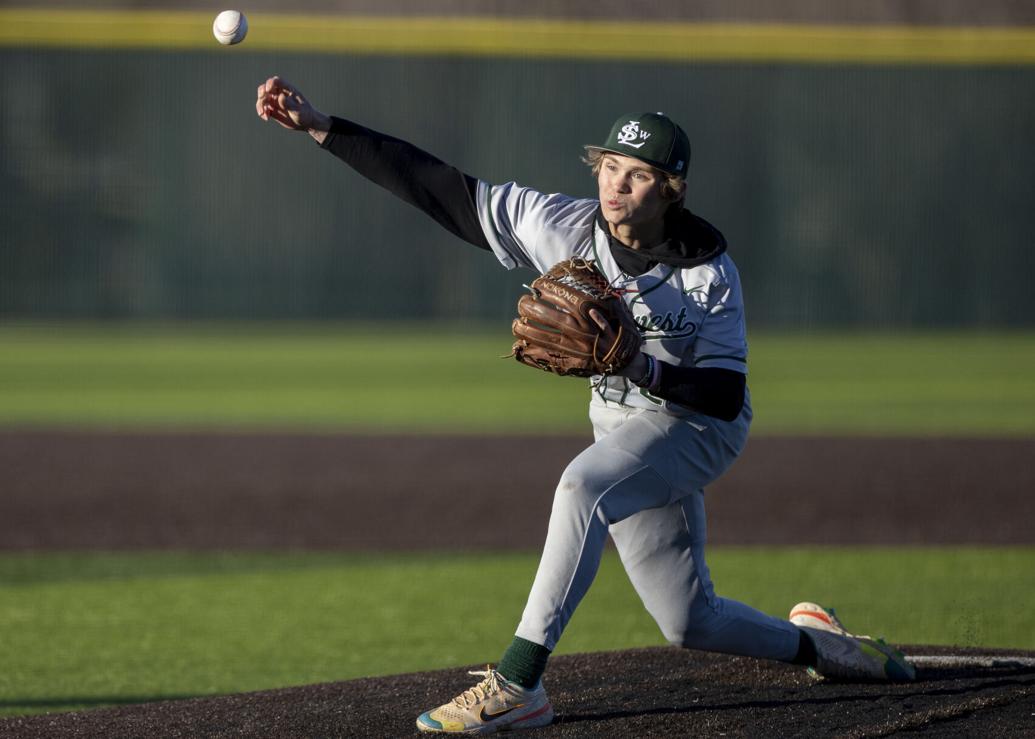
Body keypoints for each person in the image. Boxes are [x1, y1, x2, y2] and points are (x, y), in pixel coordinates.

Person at [256, 76, 916, 735]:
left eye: (634, 174)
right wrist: (321, 126)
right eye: (607, 166)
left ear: (669, 188)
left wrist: (636, 362)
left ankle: (518, 684)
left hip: (695, 427)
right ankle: (822, 645)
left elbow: (724, 393)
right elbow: (439, 187)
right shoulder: (561, 226)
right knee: (689, 619)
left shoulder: (706, 272)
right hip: (621, 428)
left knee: (582, 487)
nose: (613, 184)